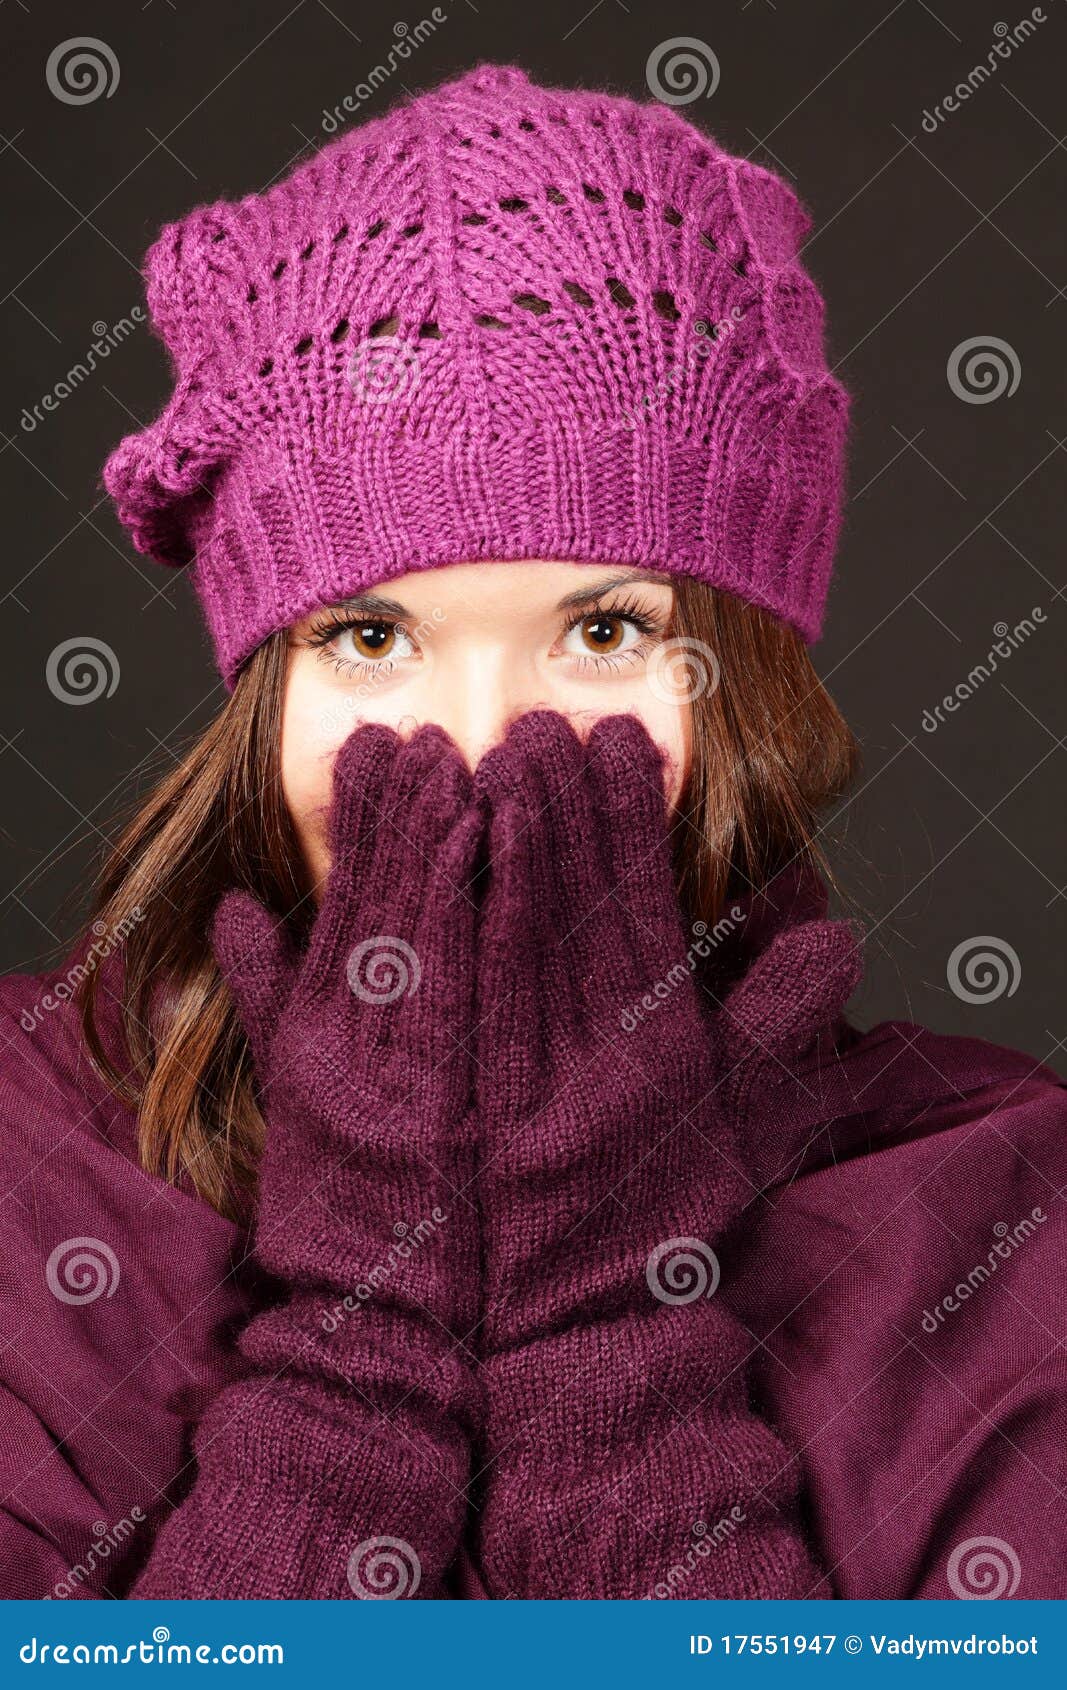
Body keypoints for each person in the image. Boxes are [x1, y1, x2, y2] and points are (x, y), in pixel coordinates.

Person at [1, 61, 1063, 1602]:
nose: (485, 738)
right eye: (369, 639)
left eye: (607, 630)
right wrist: (358, 1357)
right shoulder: (37, 1156)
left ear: (746, 676)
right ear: (260, 691)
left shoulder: (995, 1204)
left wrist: (605, 1342)